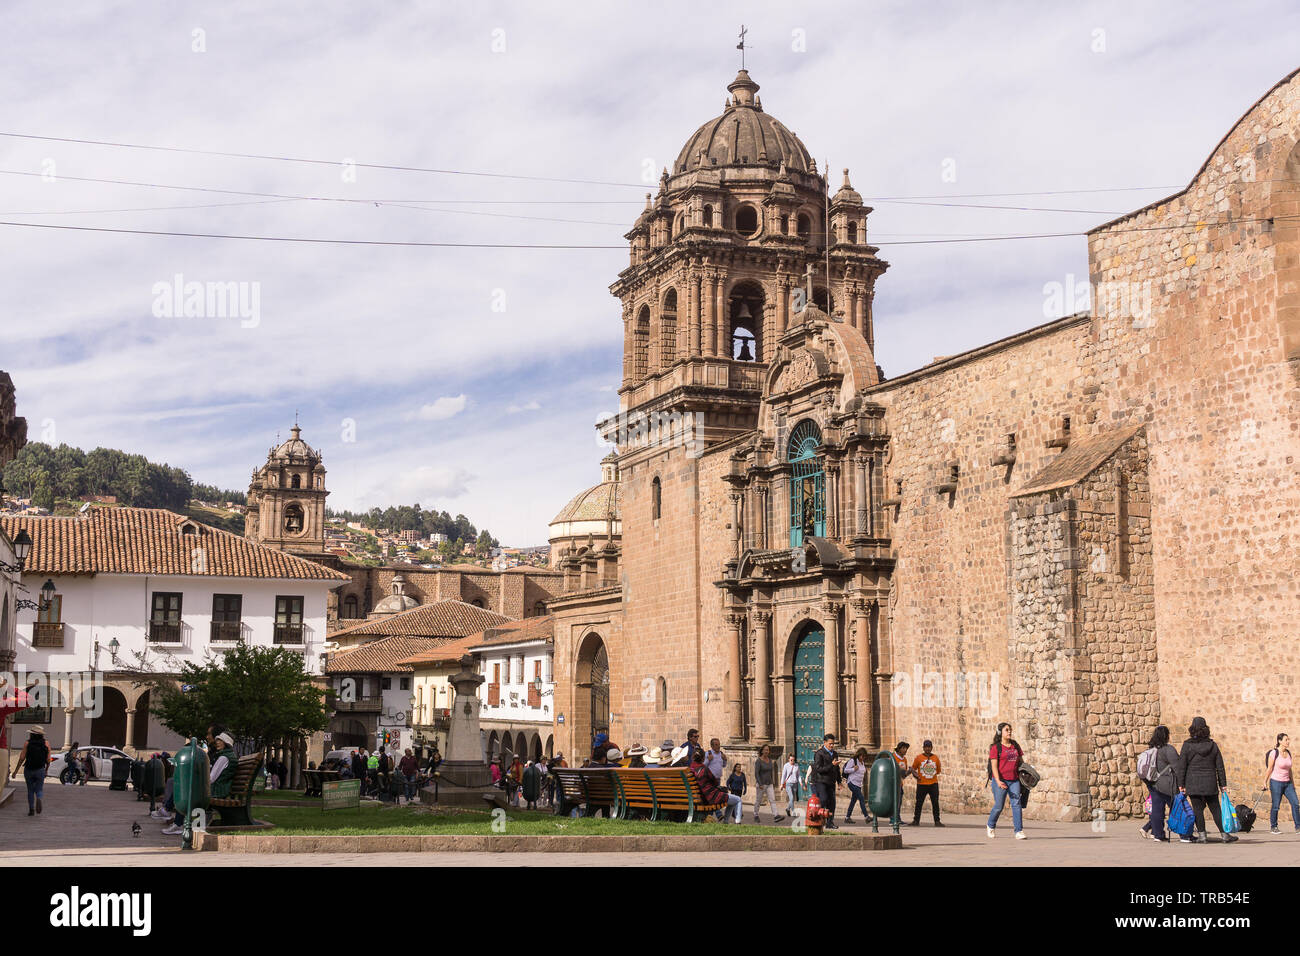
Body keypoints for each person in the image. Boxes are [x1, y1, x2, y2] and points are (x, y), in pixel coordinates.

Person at [1175, 716, 1236, 844]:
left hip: (1193, 781)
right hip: (1210, 782)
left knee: (1197, 809)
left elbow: (1182, 766)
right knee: (1216, 809)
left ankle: (1202, 835)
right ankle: (1224, 834)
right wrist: (1222, 784)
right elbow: (1220, 766)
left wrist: (1181, 784)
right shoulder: (1212, 745)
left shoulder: (1187, 745)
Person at [163, 732, 237, 835]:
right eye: (217, 740)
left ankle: (178, 823)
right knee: (189, 788)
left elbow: (211, 778)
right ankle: (180, 822)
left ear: (226, 743)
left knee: (189, 791)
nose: (217, 743)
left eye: (220, 740)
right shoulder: (226, 756)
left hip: (218, 791)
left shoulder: (224, 758)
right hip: (220, 789)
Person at [987, 722, 1026, 839]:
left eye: (1010, 730)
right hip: (1000, 780)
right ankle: (990, 825)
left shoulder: (1015, 745)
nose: (1009, 732)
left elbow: (1021, 761)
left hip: (1014, 780)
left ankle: (1019, 831)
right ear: (1001, 733)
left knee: (1016, 804)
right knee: (999, 806)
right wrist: (998, 781)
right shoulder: (996, 748)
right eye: (1007, 730)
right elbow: (994, 766)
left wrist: (1026, 772)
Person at [1141, 725, 1179, 842]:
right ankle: (1184, 833)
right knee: (1177, 807)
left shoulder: (1150, 750)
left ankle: (1158, 834)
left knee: (1157, 809)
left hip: (1152, 783)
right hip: (1166, 784)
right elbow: (1178, 767)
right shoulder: (1168, 749)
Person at [10, 726, 50, 816]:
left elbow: (22, 758)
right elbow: (48, 760)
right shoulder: (46, 743)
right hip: (40, 769)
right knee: (39, 788)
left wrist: (15, 771)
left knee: (30, 790)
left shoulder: (27, 743)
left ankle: (31, 809)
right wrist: (46, 769)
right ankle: (39, 798)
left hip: (29, 769)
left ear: (31, 734)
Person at [693, 749, 742, 824]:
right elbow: (715, 782)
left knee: (732, 800)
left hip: (699, 797)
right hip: (710, 797)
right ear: (703, 758)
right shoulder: (704, 769)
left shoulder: (690, 769)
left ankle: (726, 822)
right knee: (738, 799)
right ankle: (738, 821)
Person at [1265, 733, 1300, 834]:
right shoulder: (1274, 753)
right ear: (1280, 741)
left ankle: (1298, 827)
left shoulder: (1288, 753)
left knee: (1295, 803)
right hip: (1276, 782)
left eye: (1288, 739)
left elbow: (1290, 770)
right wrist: (1265, 782)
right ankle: (1274, 827)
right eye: (1286, 740)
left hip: (1287, 783)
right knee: (1276, 805)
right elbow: (1269, 768)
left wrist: (1292, 783)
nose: (1288, 741)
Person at [810, 733, 842, 830]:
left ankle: (830, 822)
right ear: (824, 743)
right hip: (821, 781)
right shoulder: (819, 754)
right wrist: (832, 765)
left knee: (832, 803)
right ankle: (817, 819)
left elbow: (837, 769)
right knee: (823, 800)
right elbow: (819, 769)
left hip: (831, 782)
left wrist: (839, 781)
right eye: (830, 744)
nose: (832, 745)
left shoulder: (835, 754)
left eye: (833, 744)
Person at [911, 740, 944, 826]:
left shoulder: (935, 758)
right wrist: (916, 776)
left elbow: (938, 770)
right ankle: (916, 820)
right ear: (923, 748)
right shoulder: (918, 758)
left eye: (929, 747)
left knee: (935, 803)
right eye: (926, 747)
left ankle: (937, 821)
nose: (927, 749)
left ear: (931, 748)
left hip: (933, 783)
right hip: (922, 784)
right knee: (919, 803)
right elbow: (913, 768)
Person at [752, 744, 784, 823]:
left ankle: (776, 815)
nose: (767, 751)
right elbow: (756, 773)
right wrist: (760, 784)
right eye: (765, 750)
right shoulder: (758, 761)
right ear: (762, 751)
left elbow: (770, 772)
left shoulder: (770, 760)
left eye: (768, 750)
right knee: (758, 800)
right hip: (761, 784)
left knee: (772, 800)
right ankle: (756, 815)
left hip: (769, 783)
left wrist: (772, 782)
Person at [841, 748, 872, 825]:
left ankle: (847, 817)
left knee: (853, 801)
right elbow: (845, 770)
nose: (863, 758)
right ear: (859, 755)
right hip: (852, 782)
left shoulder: (862, 762)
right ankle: (866, 817)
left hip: (858, 784)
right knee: (861, 798)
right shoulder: (853, 761)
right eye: (862, 756)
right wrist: (853, 769)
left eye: (864, 756)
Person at [892, 742, 912, 823]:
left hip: (900, 784)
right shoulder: (893, 757)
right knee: (894, 802)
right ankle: (893, 819)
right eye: (903, 748)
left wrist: (909, 772)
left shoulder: (904, 759)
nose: (905, 750)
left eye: (906, 748)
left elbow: (903, 775)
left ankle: (897, 818)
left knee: (899, 802)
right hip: (893, 783)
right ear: (899, 749)